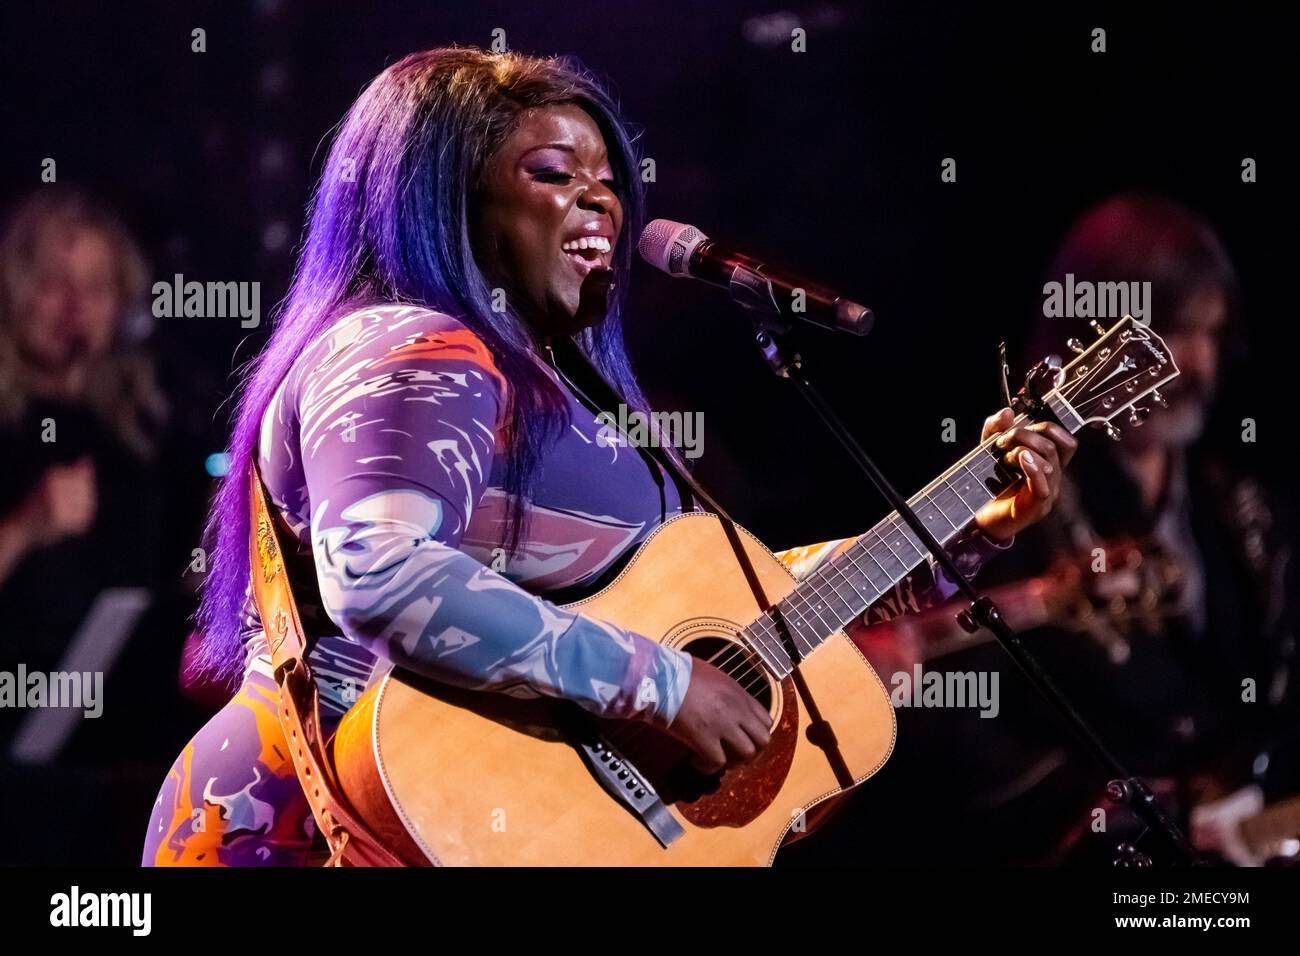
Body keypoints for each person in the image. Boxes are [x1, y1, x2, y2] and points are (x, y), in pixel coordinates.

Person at [142, 47, 1075, 867]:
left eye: (609, 180)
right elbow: (380, 574)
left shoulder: (552, 383)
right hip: (321, 824)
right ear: (446, 199)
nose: (602, 200)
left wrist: (967, 530)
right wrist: (664, 685)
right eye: (555, 173)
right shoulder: (414, 346)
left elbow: (750, 616)